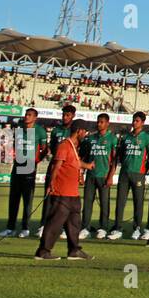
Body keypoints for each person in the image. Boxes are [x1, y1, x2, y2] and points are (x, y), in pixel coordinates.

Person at [34, 119, 94, 261]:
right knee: (55, 223)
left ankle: (74, 250)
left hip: (73, 193)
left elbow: (76, 163)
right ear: (79, 131)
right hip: (62, 192)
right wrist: (51, 184)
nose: (85, 134)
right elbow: (56, 166)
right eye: (84, 131)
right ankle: (43, 251)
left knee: (74, 224)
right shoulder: (64, 146)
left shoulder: (73, 146)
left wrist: (88, 166)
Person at [0, 107, 45, 239]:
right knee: (13, 198)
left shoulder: (40, 131)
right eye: (26, 114)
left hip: (30, 165)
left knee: (27, 200)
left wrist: (36, 161)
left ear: (35, 117)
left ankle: (25, 228)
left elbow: (45, 149)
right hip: (18, 164)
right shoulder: (19, 129)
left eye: (30, 115)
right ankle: (10, 228)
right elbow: (15, 145)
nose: (27, 116)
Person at [108, 111, 149, 241]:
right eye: (133, 120)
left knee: (138, 202)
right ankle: (117, 228)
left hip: (138, 174)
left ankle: (137, 228)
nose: (134, 122)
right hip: (124, 174)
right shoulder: (126, 137)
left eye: (137, 120)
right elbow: (119, 155)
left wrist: (144, 170)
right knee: (120, 202)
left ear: (142, 123)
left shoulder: (146, 137)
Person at [79, 113, 117, 239]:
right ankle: (85, 227)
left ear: (107, 123)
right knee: (87, 202)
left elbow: (114, 160)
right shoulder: (91, 138)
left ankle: (103, 228)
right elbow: (83, 157)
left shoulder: (112, 138)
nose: (99, 124)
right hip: (91, 175)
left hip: (104, 175)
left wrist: (111, 176)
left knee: (104, 203)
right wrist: (81, 174)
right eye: (98, 121)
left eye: (101, 122)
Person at [40, 103, 77, 234]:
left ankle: (63, 227)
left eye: (68, 115)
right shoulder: (56, 130)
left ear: (73, 116)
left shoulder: (75, 131)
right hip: (55, 165)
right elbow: (53, 149)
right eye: (63, 115)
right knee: (49, 195)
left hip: (68, 169)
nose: (65, 117)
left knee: (65, 200)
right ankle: (44, 225)